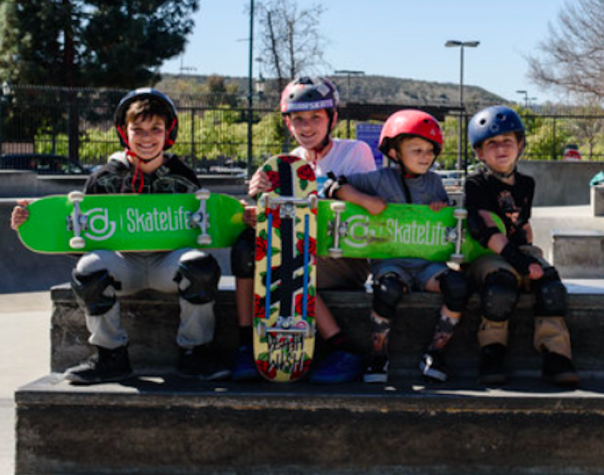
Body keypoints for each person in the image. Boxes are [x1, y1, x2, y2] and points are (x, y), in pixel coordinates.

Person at [10, 89, 228, 384]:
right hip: (124, 266)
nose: (147, 137)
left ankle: (195, 352)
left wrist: (242, 218)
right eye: (137, 130)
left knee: (200, 266)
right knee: (88, 270)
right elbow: (80, 237)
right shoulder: (104, 177)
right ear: (125, 133)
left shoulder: (182, 176)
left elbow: (206, 227)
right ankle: (110, 356)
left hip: (168, 264)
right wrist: (30, 221)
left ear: (168, 132)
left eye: (156, 129)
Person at [229, 76, 377, 384]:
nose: (307, 127)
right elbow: (275, 219)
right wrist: (257, 201)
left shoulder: (354, 152)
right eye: (298, 120)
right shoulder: (289, 162)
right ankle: (247, 345)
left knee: (286, 258)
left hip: (343, 254)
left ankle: (344, 349)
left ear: (332, 119)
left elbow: (359, 212)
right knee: (246, 248)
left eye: (315, 118)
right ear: (288, 123)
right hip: (302, 250)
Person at [323, 110, 470, 383]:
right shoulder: (378, 179)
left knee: (457, 286)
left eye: (429, 150)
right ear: (394, 151)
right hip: (391, 263)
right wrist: (364, 200)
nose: (425, 156)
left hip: (428, 265)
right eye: (416, 149)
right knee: (387, 289)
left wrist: (441, 208)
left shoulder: (435, 182)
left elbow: (445, 223)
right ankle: (379, 356)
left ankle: (435, 352)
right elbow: (332, 185)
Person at [463, 106, 579, 387]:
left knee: (550, 287)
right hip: (485, 254)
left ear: (520, 146)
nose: (501, 148)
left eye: (507, 141)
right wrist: (522, 263)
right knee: (501, 288)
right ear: (479, 152)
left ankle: (556, 356)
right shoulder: (476, 183)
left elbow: (523, 225)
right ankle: (492, 352)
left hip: (516, 251)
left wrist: (533, 258)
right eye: (491, 143)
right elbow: (487, 231)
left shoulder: (527, 183)